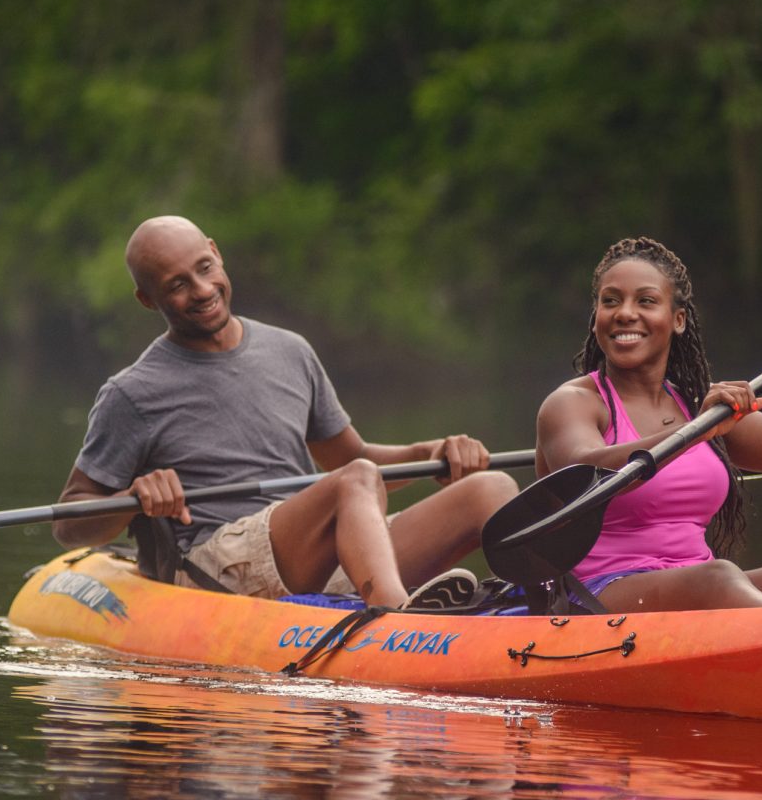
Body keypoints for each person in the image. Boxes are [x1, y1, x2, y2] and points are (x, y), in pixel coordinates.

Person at [52, 215, 518, 609]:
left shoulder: (290, 350)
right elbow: (69, 523)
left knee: (490, 489)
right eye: (177, 285)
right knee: (353, 481)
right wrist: (136, 495)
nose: (201, 289)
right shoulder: (132, 393)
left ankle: (558, 609)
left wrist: (429, 451)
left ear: (216, 253)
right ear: (147, 299)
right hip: (215, 563)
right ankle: (394, 619)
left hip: (317, 548)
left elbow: (349, 457)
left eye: (204, 267)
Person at [532, 236, 762, 612]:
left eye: (645, 300)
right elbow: (582, 475)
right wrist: (692, 435)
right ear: (596, 317)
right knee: (719, 578)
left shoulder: (698, 404)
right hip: (597, 594)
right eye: (610, 301)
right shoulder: (571, 403)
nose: (625, 313)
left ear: (678, 320)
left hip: (698, 582)